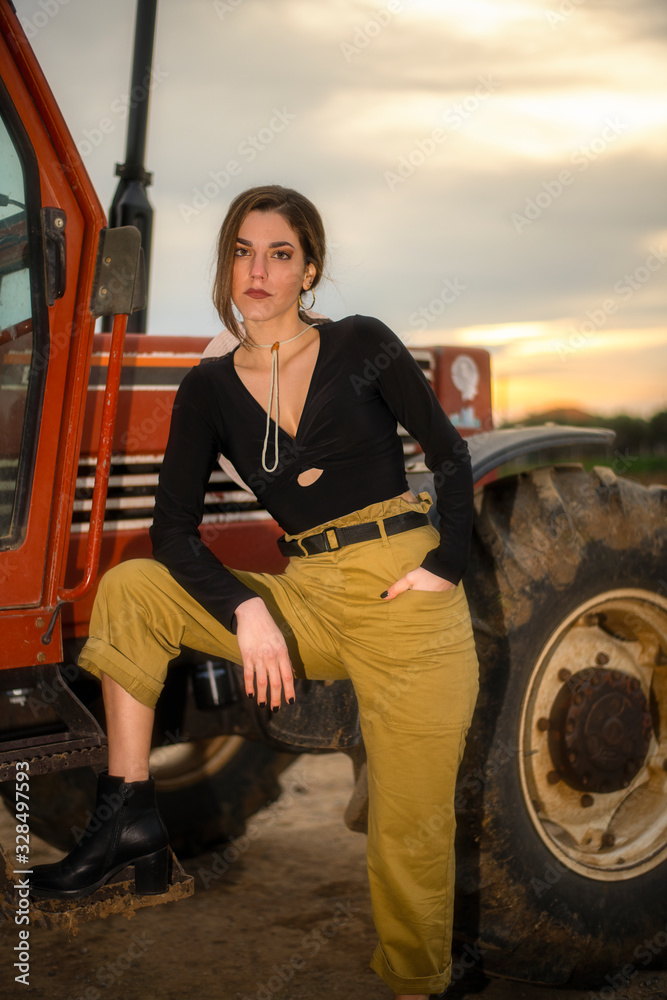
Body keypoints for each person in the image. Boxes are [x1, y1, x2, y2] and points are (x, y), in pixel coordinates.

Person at [30, 185, 479, 1000]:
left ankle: (420, 984)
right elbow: (172, 533)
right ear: (226, 266)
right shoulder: (205, 389)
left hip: (401, 594)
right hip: (304, 589)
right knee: (134, 587)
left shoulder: (359, 344)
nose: (258, 270)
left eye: (279, 253)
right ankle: (128, 817)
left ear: (309, 269)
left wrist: (444, 565)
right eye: (242, 251)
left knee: (406, 831)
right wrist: (246, 609)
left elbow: (449, 455)